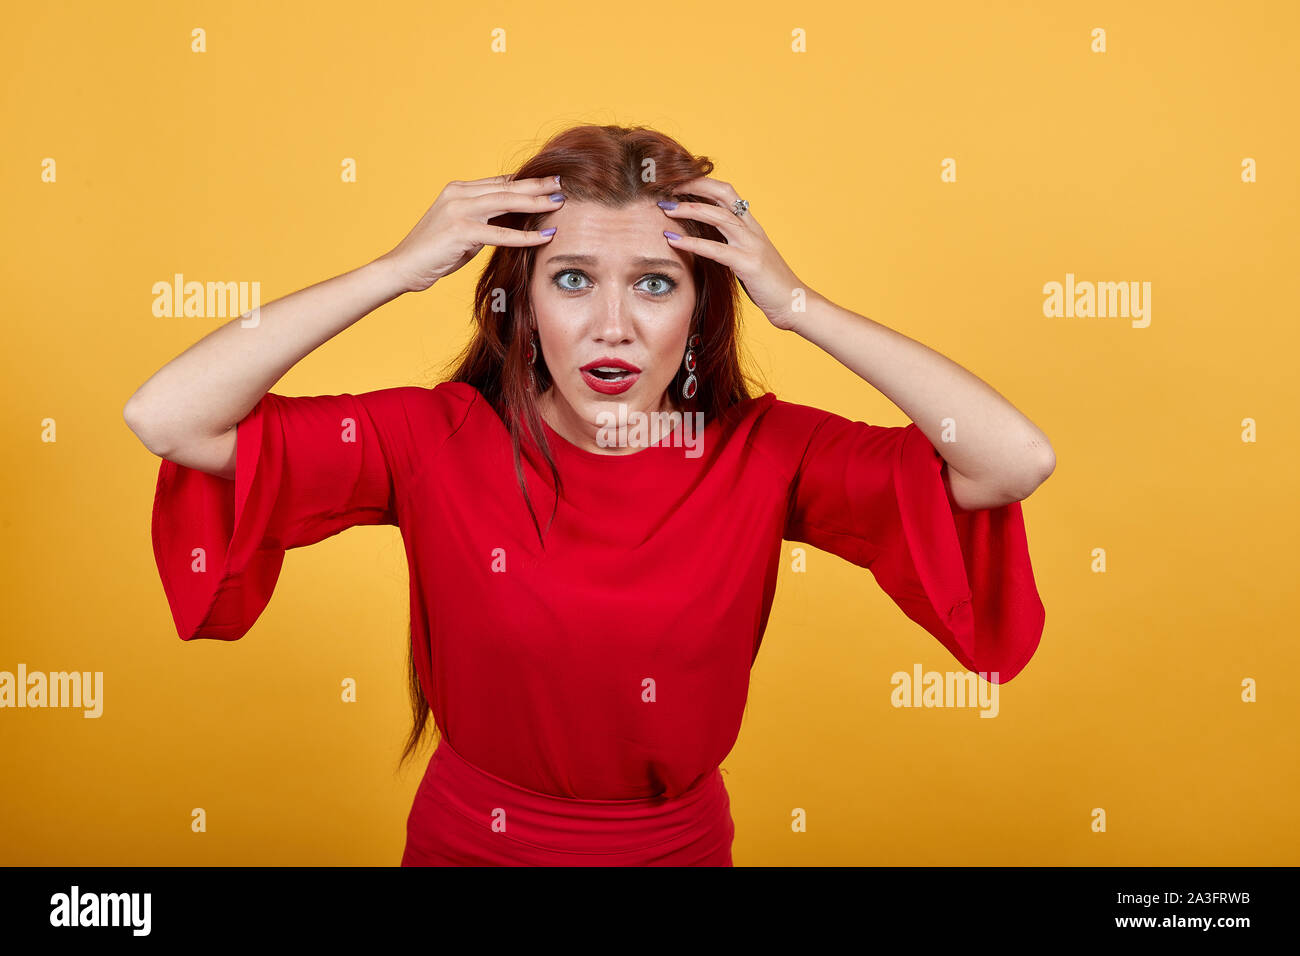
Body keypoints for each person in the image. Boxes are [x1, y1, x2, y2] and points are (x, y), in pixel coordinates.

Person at [124, 124, 1053, 866]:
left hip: (675, 853)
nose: (613, 327)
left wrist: (795, 302)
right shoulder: (433, 437)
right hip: (468, 848)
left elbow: (1011, 461)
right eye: (572, 280)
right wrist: (392, 272)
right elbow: (171, 418)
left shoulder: (767, 452)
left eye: (655, 283)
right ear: (520, 304)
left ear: (700, 312)